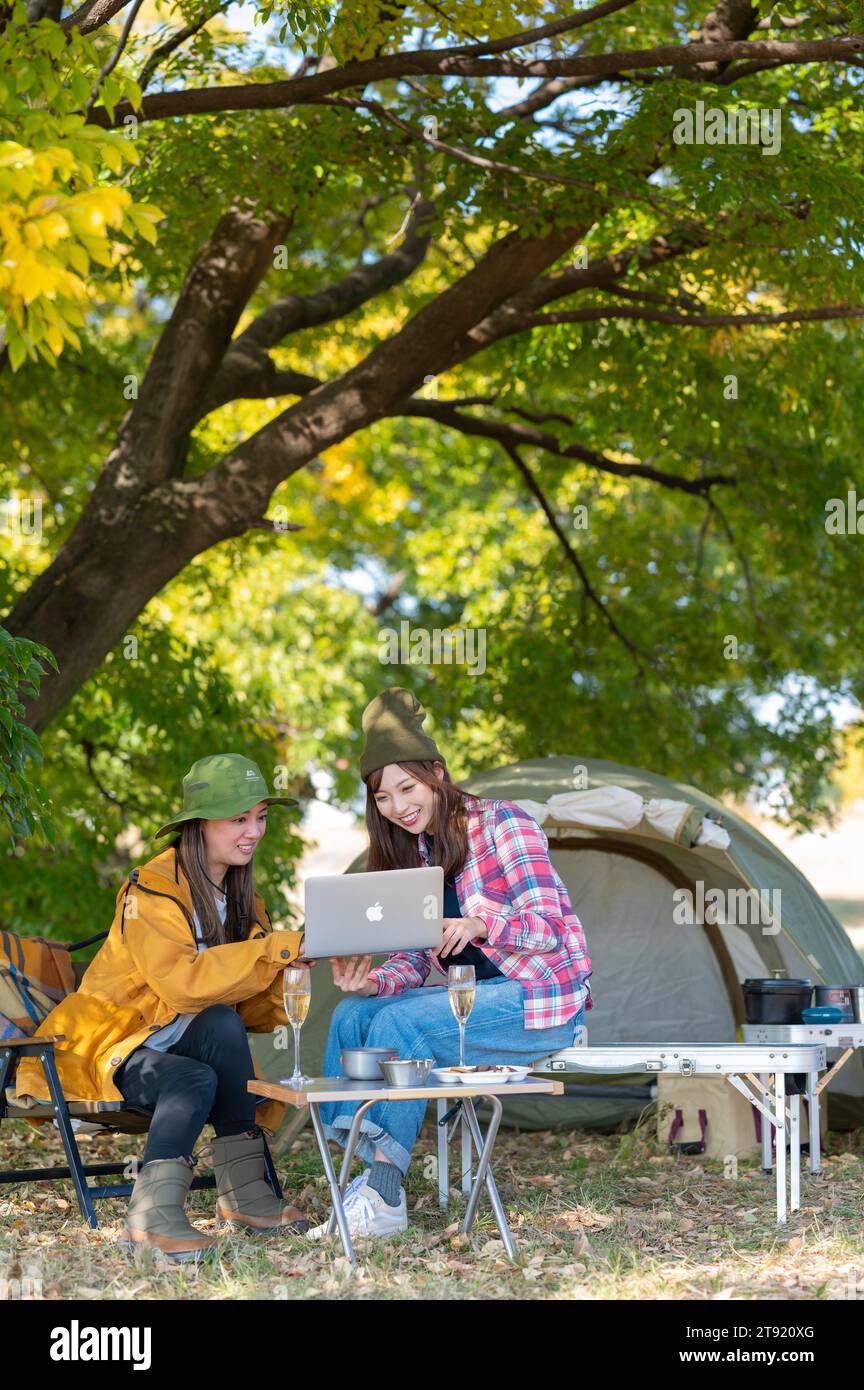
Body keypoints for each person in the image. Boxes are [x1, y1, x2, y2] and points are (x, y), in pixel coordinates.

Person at [309, 688, 594, 1241]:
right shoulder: (420, 854)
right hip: (472, 1002)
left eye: (407, 788)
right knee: (353, 1016)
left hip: (540, 1000)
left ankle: (385, 1199)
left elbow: (549, 929)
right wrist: (375, 982)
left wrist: (484, 922)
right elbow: (419, 955)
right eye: (383, 798)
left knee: (400, 1025)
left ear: (437, 772)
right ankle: (363, 1180)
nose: (397, 806)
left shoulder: (506, 824)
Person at [15, 754, 310, 1262]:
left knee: (221, 1021)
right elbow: (181, 986)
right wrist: (275, 950)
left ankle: (244, 1195)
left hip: (181, 1033)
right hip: (109, 1042)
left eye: (260, 817)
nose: (254, 831)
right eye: (239, 819)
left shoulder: (245, 899)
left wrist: (306, 966)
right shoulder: (150, 890)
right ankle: (151, 1219)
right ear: (199, 825)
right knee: (193, 1078)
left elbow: (251, 1013)